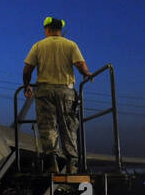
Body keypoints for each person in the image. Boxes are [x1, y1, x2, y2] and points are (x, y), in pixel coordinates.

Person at [23, 16, 93, 174]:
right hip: (66, 91)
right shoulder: (70, 44)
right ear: (60, 30)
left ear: (46, 29)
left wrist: (27, 86)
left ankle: (52, 164)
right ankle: (71, 164)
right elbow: (80, 65)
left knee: (48, 127)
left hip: (45, 91)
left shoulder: (38, 46)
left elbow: (27, 69)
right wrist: (86, 73)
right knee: (68, 127)